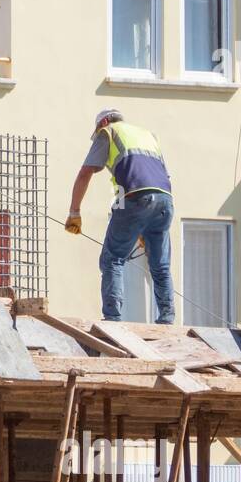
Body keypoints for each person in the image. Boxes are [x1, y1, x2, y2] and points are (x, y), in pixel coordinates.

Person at [65, 108, 175, 324]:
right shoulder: (148, 136)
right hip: (165, 200)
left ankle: (112, 319)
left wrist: (74, 212)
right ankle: (167, 319)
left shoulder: (108, 132)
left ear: (104, 121)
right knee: (160, 265)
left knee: (112, 259)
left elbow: (85, 172)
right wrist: (145, 224)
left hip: (134, 197)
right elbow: (162, 176)